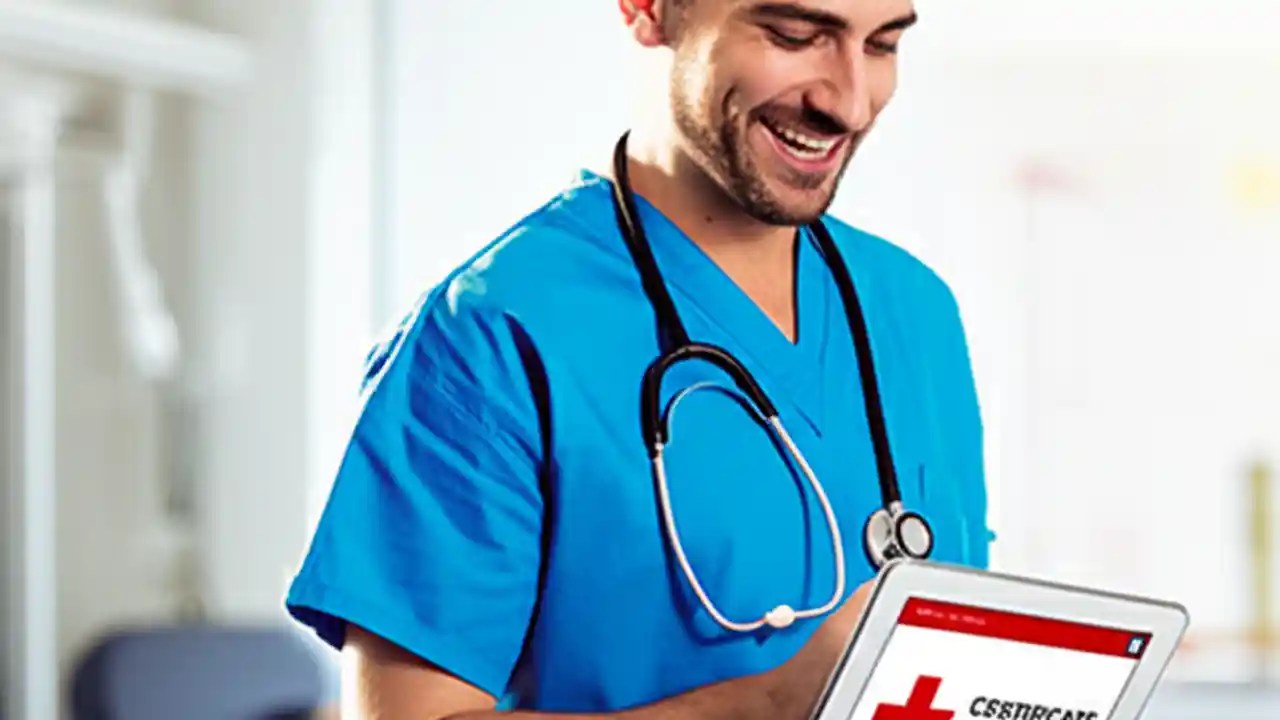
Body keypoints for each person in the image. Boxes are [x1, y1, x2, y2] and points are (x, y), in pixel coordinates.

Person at [284, 0, 992, 717]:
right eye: (794, 36)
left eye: (881, 46)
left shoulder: (914, 312)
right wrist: (770, 704)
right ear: (648, 10)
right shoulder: (492, 336)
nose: (848, 101)